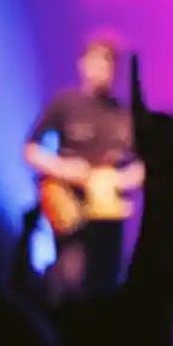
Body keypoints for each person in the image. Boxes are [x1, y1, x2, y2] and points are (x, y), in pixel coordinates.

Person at [25, 33, 142, 298]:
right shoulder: (66, 103)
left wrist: (124, 179)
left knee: (105, 283)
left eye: (109, 63)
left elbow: (139, 166)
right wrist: (61, 169)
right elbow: (31, 150)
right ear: (83, 63)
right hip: (70, 212)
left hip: (107, 212)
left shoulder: (124, 116)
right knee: (70, 279)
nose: (102, 69)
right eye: (97, 61)